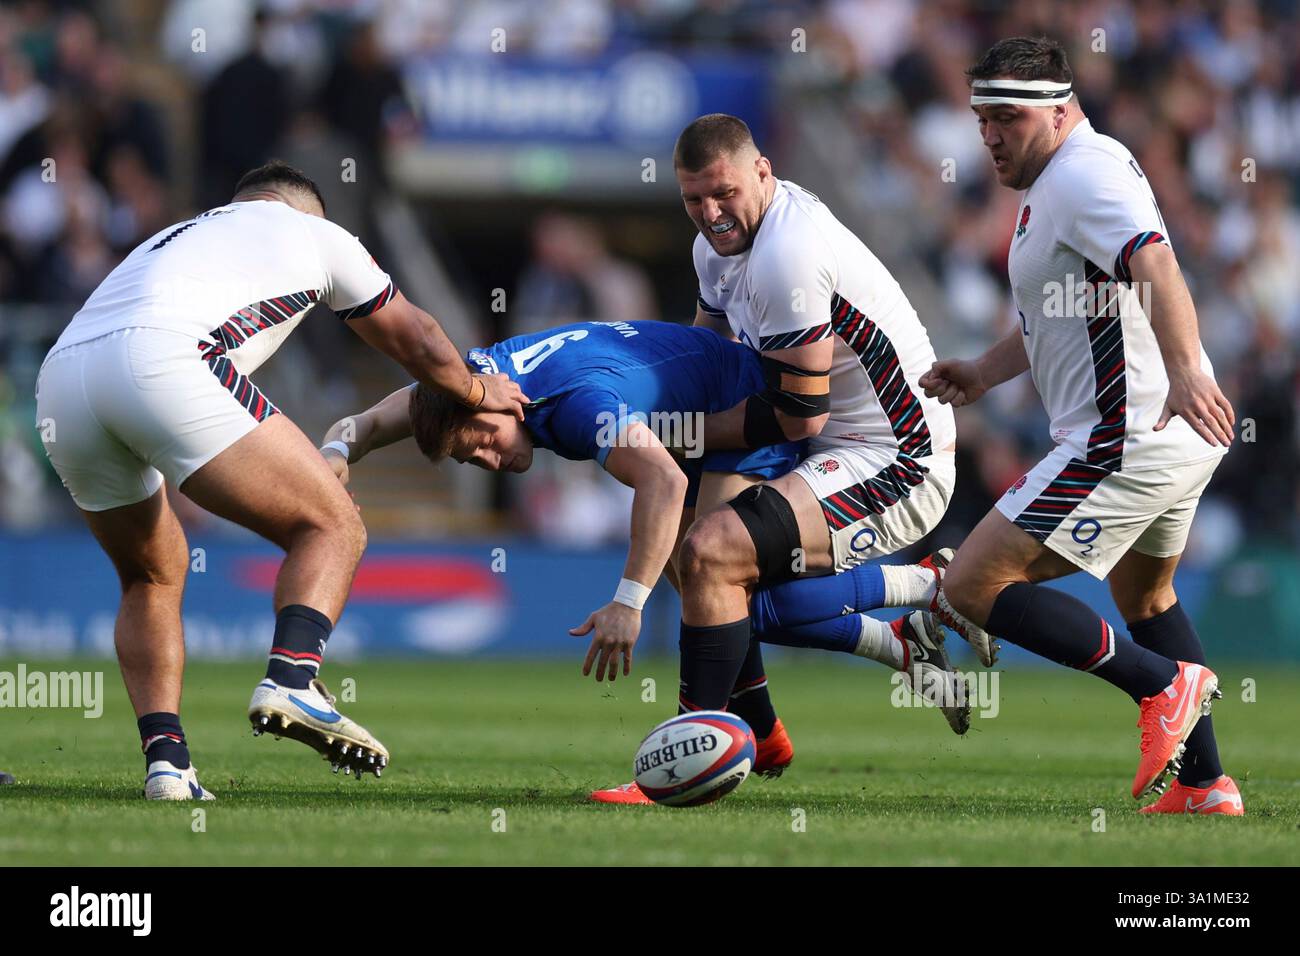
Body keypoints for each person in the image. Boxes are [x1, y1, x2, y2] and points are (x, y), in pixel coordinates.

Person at [34, 160, 526, 800]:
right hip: (165, 359)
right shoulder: (317, 235)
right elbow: (417, 336)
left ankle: (168, 765)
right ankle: (294, 678)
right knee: (333, 523)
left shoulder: (180, 233)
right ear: (304, 209)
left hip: (62, 381)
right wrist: (475, 386)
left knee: (152, 572)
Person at [324, 318, 971, 799]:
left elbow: (660, 483)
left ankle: (927, 588)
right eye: (474, 460)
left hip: (740, 408)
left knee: (713, 574)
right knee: (737, 600)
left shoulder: (579, 408)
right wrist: (333, 459)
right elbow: (364, 424)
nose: (491, 460)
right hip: (687, 416)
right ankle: (892, 642)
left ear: (499, 401)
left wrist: (628, 601)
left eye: (486, 444)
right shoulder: (463, 382)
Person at [589, 113, 965, 803]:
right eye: (693, 200)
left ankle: (681, 761)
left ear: (762, 171)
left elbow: (799, 410)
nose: (710, 213)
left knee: (712, 556)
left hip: (896, 455)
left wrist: (671, 434)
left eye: (723, 193)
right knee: (703, 570)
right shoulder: (719, 247)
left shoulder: (787, 254)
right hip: (818, 441)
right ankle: (764, 728)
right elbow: (709, 363)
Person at [919, 37, 1239, 813]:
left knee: (972, 582)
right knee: (1147, 597)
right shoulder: (1060, 180)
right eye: (980, 118)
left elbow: (1157, 264)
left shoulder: (1085, 173)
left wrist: (1190, 366)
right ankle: (1203, 784)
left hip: (1124, 434)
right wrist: (983, 373)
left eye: (1004, 119)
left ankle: (1162, 685)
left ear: (1059, 112)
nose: (987, 135)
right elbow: (1054, 316)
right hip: (1167, 438)